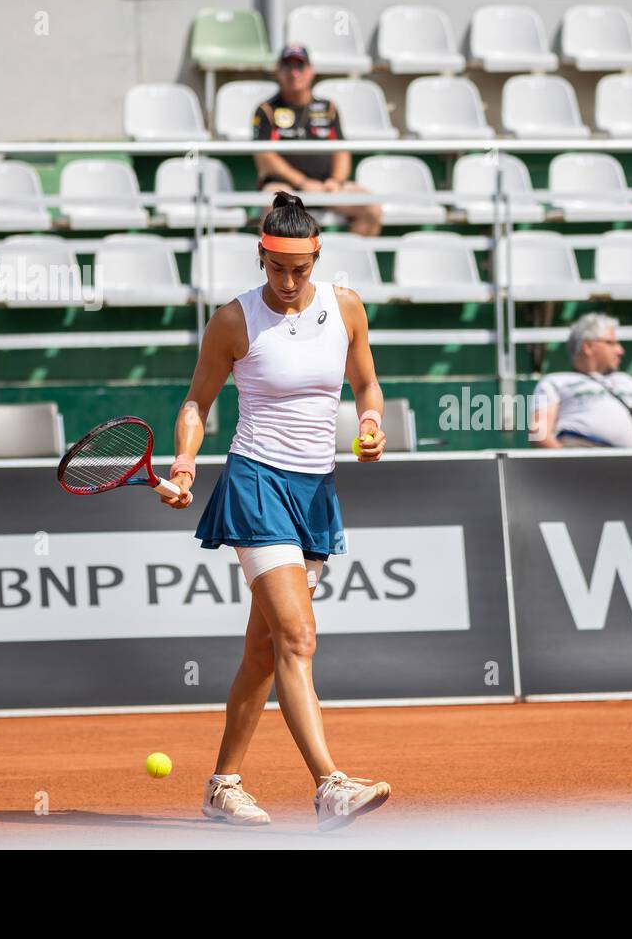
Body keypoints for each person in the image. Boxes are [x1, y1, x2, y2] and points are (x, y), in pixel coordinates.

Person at [162, 190, 390, 830]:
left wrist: (370, 423)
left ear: (317, 258)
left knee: (263, 652)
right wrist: (184, 466)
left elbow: (366, 382)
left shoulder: (345, 307)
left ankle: (222, 786)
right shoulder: (233, 321)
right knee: (298, 638)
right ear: (262, 257)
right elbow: (196, 404)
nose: (289, 283)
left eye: (301, 270)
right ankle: (330, 787)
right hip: (256, 481)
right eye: (277, 269)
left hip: (315, 491)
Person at [252, 44, 383, 238]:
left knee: (371, 208)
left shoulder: (328, 107)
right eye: (287, 66)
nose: (294, 73)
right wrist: (303, 182)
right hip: (284, 187)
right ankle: (283, 267)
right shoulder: (266, 109)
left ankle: (349, 266)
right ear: (278, 71)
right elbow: (265, 158)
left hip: (326, 188)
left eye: (300, 66)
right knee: (273, 210)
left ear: (311, 71)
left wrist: (335, 181)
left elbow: (341, 150)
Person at [529, 313, 632, 448]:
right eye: (611, 343)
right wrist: (568, 465)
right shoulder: (555, 381)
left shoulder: (624, 380)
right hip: (582, 458)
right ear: (588, 346)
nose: (620, 351)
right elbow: (539, 433)